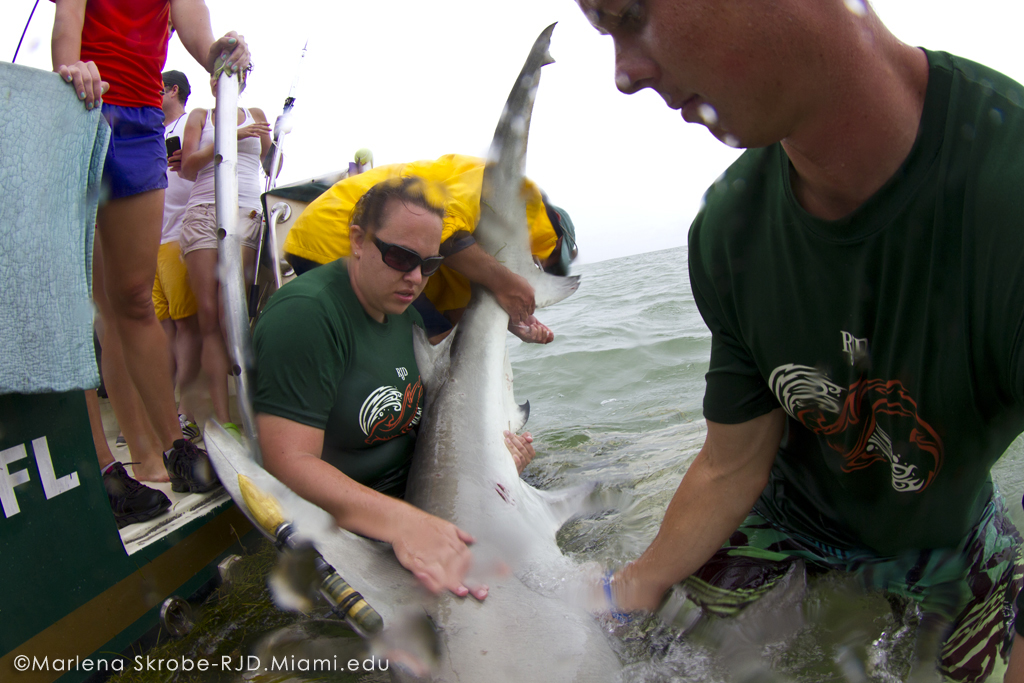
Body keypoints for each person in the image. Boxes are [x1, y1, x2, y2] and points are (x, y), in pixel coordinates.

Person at [576, 1, 1024, 681]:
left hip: (948, 534)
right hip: (785, 518)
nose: (625, 75)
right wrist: (627, 586)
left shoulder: (1008, 192)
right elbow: (731, 465)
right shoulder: (729, 233)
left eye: (630, 14)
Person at [254, 176, 536, 600]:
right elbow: (287, 461)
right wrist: (401, 523)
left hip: (426, 495)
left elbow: (424, 425)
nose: (415, 278)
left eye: (430, 264)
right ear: (358, 240)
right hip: (358, 528)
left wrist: (491, 462)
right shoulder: (306, 316)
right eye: (401, 257)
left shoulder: (406, 316)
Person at [52, 0, 247, 496]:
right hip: (84, 106)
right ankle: (125, 458)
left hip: (141, 124)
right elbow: (68, 24)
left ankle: (171, 446)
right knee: (98, 305)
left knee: (135, 297)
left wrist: (224, 55)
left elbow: (204, 44)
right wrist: (67, 66)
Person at [282, 154, 578, 344]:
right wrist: (506, 282)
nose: (537, 268)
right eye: (546, 259)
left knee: (441, 340)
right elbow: (444, 224)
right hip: (338, 234)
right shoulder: (520, 194)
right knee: (433, 343)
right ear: (555, 234)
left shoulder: (479, 252)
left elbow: (457, 318)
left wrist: (516, 323)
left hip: (350, 247)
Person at [179, 68, 271, 432]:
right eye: (219, 71)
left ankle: (253, 409)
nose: (228, 78)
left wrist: (275, 138)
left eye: (237, 71)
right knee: (207, 315)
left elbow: (269, 164)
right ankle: (224, 418)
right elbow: (187, 167)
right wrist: (231, 136)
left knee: (231, 313)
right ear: (211, 80)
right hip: (203, 211)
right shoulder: (200, 116)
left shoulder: (257, 116)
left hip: (246, 214)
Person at [157, 69, 201, 442]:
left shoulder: (192, 122)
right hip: (149, 241)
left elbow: (202, 170)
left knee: (187, 326)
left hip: (178, 235)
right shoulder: (150, 129)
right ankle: (162, 411)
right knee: (161, 329)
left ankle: (188, 412)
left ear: (172, 90)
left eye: (157, 87)